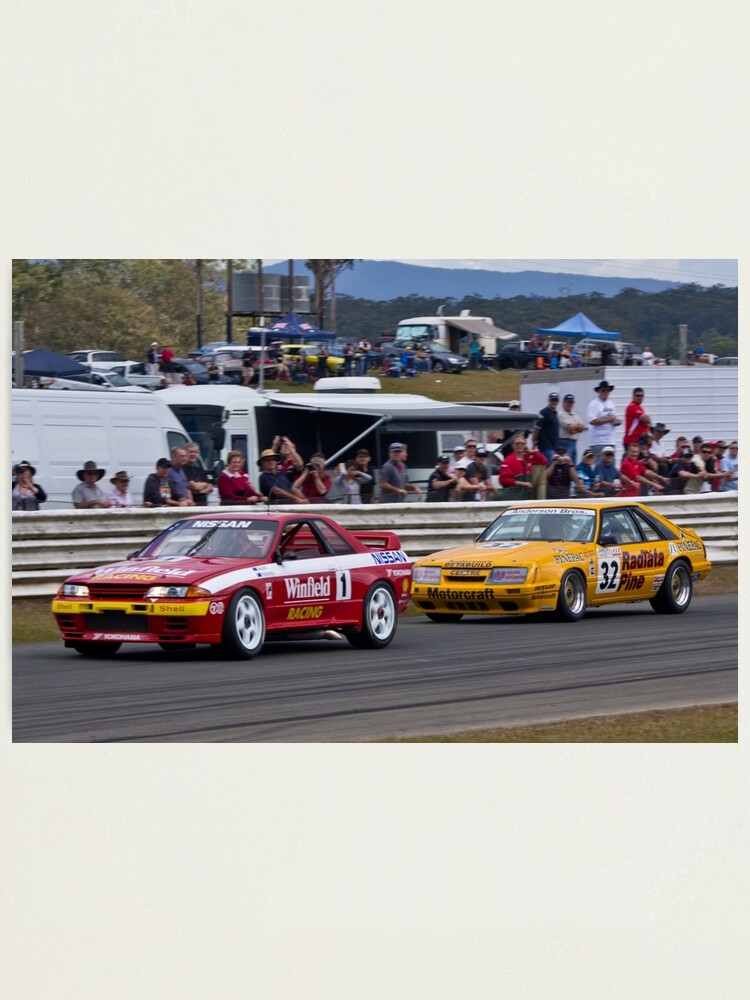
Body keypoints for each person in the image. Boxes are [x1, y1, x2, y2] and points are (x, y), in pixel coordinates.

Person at [587, 380, 621, 460]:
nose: (605, 392)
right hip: (599, 441)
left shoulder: (611, 404)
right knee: (599, 465)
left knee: (610, 466)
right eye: (603, 390)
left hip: (610, 440)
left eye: (607, 390)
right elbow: (593, 421)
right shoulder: (594, 404)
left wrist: (615, 421)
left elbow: (613, 419)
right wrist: (609, 419)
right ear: (599, 391)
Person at [557, 393, 586, 464]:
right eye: (568, 402)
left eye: (571, 402)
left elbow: (583, 428)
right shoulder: (560, 414)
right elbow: (570, 429)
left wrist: (575, 427)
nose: (570, 404)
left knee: (573, 466)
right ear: (563, 403)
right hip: (564, 442)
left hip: (574, 442)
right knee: (566, 464)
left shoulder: (576, 415)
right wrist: (578, 427)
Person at [533, 391, 561, 462]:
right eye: (552, 400)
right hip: (546, 447)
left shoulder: (555, 414)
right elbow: (537, 428)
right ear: (549, 401)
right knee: (549, 468)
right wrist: (534, 442)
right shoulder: (544, 412)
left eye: (556, 400)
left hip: (554, 447)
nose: (554, 402)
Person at [185, 442, 214, 506]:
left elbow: (210, 487)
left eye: (195, 452)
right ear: (186, 453)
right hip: (192, 507)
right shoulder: (183, 468)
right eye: (191, 452)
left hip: (204, 507)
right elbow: (194, 486)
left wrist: (199, 491)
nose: (193, 454)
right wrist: (204, 486)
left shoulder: (198, 469)